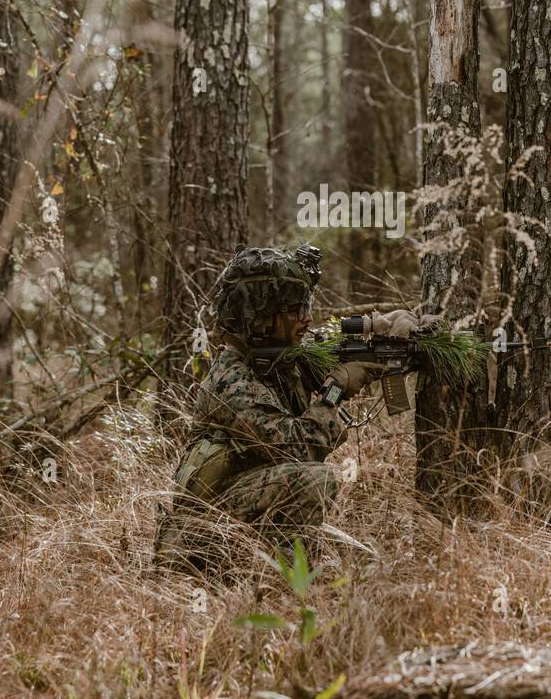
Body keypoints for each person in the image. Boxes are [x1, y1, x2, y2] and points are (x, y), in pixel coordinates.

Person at [155, 244, 398, 574]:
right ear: (261, 317)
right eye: (294, 310)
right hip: (210, 531)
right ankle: (276, 582)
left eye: (306, 307)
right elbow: (298, 449)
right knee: (314, 479)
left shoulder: (278, 358)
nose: (306, 318)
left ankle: (289, 570)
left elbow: (327, 342)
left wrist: (387, 333)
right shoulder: (232, 383)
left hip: (252, 510)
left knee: (367, 565)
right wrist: (335, 391)